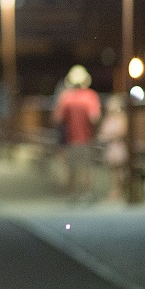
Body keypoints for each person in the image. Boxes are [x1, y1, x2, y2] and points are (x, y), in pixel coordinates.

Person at [52, 64, 102, 199]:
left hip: (70, 138)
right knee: (87, 167)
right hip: (87, 138)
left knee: (72, 167)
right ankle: (86, 193)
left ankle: (72, 193)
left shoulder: (66, 97)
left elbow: (58, 118)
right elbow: (95, 118)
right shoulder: (91, 96)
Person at [96, 94, 128, 201]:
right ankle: (114, 190)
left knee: (119, 170)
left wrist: (110, 136)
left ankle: (120, 190)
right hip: (110, 148)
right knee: (112, 171)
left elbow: (122, 133)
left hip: (118, 147)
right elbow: (102, 133)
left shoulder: (122, 118)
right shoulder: (107, 119)